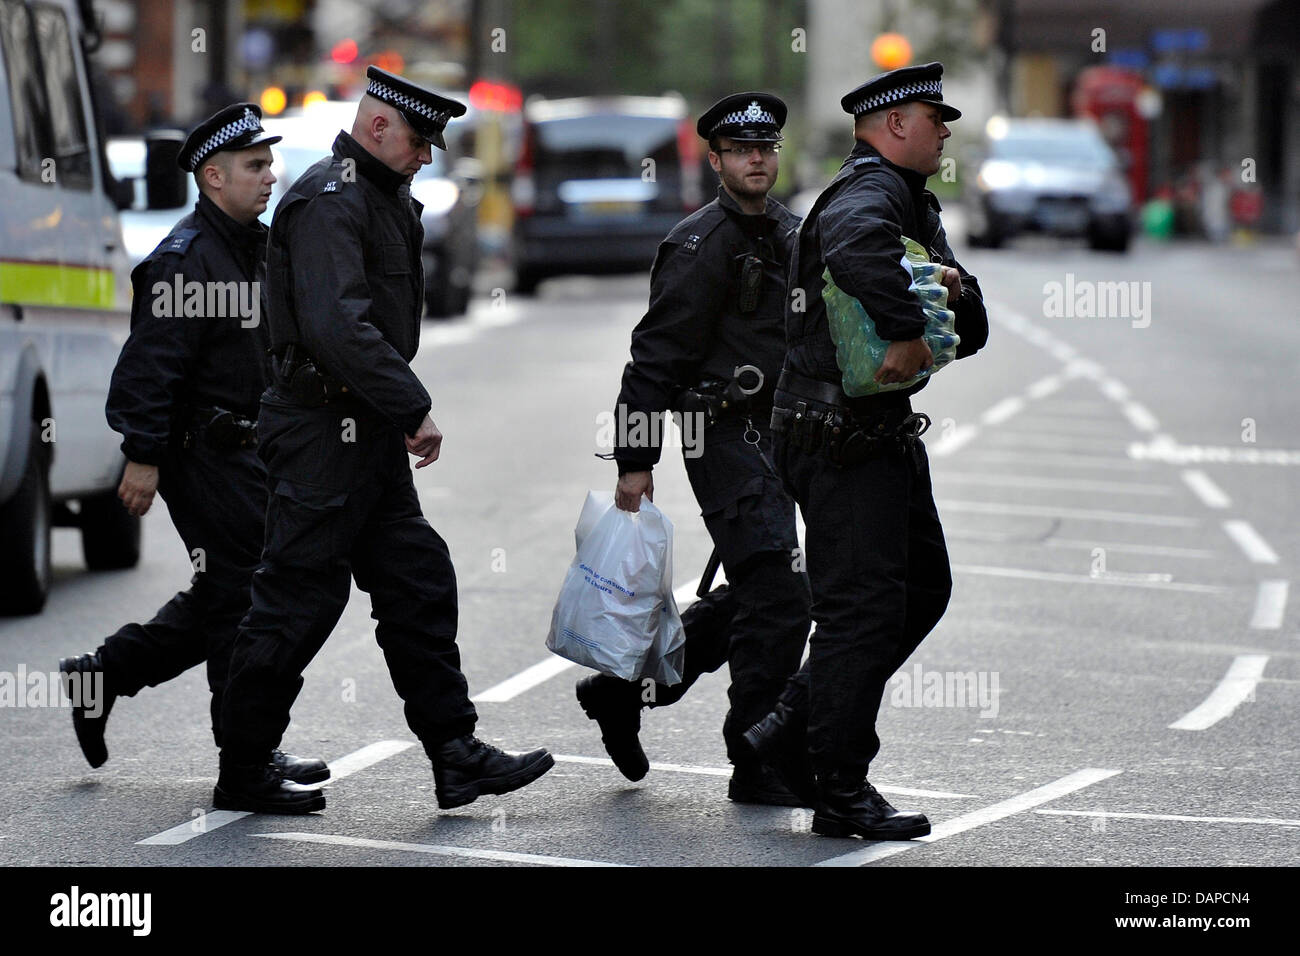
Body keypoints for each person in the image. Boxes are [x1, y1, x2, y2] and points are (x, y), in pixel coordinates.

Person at [213, 67, 553, 814]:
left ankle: (455, 754)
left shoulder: (382, 197)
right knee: (297, 603)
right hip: (319, 432)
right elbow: (340, 327)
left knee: (417, 581)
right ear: (376, 128)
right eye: (419, 138)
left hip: (361, 429)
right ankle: (243, 767)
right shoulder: (331, 200)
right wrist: (412, 405)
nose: (428, 154)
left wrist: (390, 409)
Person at [743, 63, 989, 839]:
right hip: (837, 436)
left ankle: (791, 724)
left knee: (922, 589)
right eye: (932, 116)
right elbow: (855, 251)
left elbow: (973, 318)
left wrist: (947, 297)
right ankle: (839, 790)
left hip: (876, 433)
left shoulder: (910, 198)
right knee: (862, 613)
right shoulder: (867, 195)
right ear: (892, 125)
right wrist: (911, 327)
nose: (945, 129)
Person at [59, 104, 327, 786]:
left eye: (271, 163)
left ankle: (104, 675)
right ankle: (245, 757)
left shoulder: (257, 247)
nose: (271, 176)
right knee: (247, 593)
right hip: (199, 452)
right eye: (255, 166)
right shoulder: (185, 262)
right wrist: (143, 456)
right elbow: (150, 369)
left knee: (226, 590)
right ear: (213, 177)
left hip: (253, 451)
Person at [578, 93, 812, 806]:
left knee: (760, 590)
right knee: (781, 592)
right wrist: (634, 462)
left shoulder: (797, 233)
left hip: (786, 435)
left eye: (766, 148)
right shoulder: (697, 245)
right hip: (723, 435)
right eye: (741, 150)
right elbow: (652, 362)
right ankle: (757, 756)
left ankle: (624, 692)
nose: (756, 160)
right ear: (715, 159)